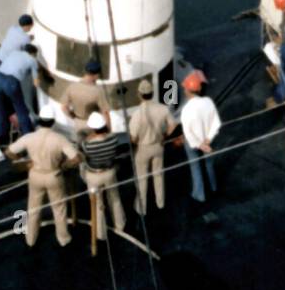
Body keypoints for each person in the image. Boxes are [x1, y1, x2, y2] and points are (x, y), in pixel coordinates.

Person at [6, 106, 80, 248]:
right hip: (54, 175)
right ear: (52, 122)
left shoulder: (29, 137)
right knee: (59, 209)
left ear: (39, 120)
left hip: (35, 175)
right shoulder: (59, 139)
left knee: (33, 208)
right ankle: (63, 239)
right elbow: (76, 159)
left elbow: (9, 152)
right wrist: (64, 165)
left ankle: (31, 239)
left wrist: (25, 163)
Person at [128, 78, 178, 214]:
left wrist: (135, 143)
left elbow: (133, 138)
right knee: (158, 175)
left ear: (139, 94)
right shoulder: (163, 109)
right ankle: (160, 203)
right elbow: (173, 125)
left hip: (142, 149)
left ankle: (141, 208)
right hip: (158, 146)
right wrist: (165, 136)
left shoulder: (137, 114)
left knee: (142, 179)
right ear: (153, 92)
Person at [80, 112, 127, 241]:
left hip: (94, 175)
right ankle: (120, 225)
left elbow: (84, 152)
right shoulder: (113, 139)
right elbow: (110, 138)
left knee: (98, 204)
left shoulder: (87, 144)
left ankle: (101, 234)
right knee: (115, 198)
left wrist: (89, 136)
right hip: (110, 172)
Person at [180, 71, 221, 202]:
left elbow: (188, 133)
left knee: (195, 166)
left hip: (194, 144)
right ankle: (214, 187)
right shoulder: (208, 102)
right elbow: (216, 123)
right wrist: (207, 140)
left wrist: (199, 145)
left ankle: (199, 194)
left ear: (188, 91)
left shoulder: (186, 110)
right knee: (209, 164)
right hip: (207, 140)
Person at [0, 43, 41, 143]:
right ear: (33, 53)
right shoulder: (32, 60)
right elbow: (36, 82)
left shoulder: (14, 53)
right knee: (21, 109)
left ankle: (2, 136)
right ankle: (28, 136)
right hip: (11, 82)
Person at [0, 14, 34, 90]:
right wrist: (29, 39)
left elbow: (16, 38)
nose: (31, 27)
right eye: (31, 26)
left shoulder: (12, 28)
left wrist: (28, 38)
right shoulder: (25, 39)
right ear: (27, 26)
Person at [63, 59, 111, 135]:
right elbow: (105, 113)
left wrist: (72, 116)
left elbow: (64, 107)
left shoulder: (72, 86)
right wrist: (108, 130)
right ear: (96, 75)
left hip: (77, 123)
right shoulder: (98, 91)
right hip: (92, 125)